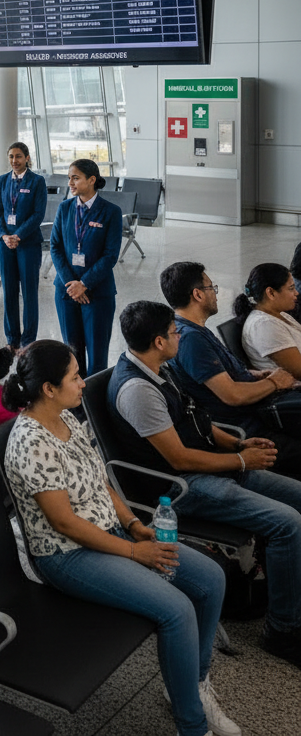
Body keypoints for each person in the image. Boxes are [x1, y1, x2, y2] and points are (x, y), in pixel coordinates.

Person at [3, 340, 238, 736]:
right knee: (176, 610)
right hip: (68, 555)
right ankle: (192, 725)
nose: (83, 383)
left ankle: (192, 686)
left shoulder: (68, 418)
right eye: (75, 377)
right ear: (48, 388)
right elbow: (65, 524)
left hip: (111, 533)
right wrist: (135, 552)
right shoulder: (30, 442)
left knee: (211, 578)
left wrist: (132, 524)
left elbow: (101, 482)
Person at [109, 300, 301, 670]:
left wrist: (238, 444)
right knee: (287, 523)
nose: (180, 334)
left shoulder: (160, 369)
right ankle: (283, 630)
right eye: (173, 331)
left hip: (216, 464)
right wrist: (241, 461)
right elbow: (179, 459)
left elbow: (195, 422)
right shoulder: (138, 390)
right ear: (159, 341)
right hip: (181, 487)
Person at [159, 261, 301, 478]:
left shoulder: (197, 331)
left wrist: (256, 375)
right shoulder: (190, 339)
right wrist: (274, 382)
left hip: (258, 414)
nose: (216, 294)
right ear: (197, 294)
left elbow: (222, 376)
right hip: (247, 428)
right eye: (211, 288)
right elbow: (232, 395)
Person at [49, 158, 122, 377]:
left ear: (92, 180)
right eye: (69, 178)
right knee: (72, 355)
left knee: (97, 357)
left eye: (75, 178)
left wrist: (84, 284)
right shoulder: (65, 208)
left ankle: (93, 406)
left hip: (97, 293)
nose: (70, 183)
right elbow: (55, 247)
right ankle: (76, 406)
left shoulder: (111, 212)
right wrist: (72, 284)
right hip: (66, 292)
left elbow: (110, 256)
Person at [0, 142, 48, 350]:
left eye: (18, 156)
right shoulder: (4, 180)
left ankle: (28, 339)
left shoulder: (37, 182)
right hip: (6, 243)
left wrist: (18, 235)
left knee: (29, 291)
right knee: (9, 291)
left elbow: (38, 214)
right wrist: (4, 235)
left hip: (28, 244)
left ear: (26, 158)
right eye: (11, 157)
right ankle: (12, 339)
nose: (14, 161)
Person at [237, 262, 301, 377]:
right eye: (291, 288)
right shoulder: (264, 326)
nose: (296, 293)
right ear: (271, 293)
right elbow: (298, 370)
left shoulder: (279, 314)